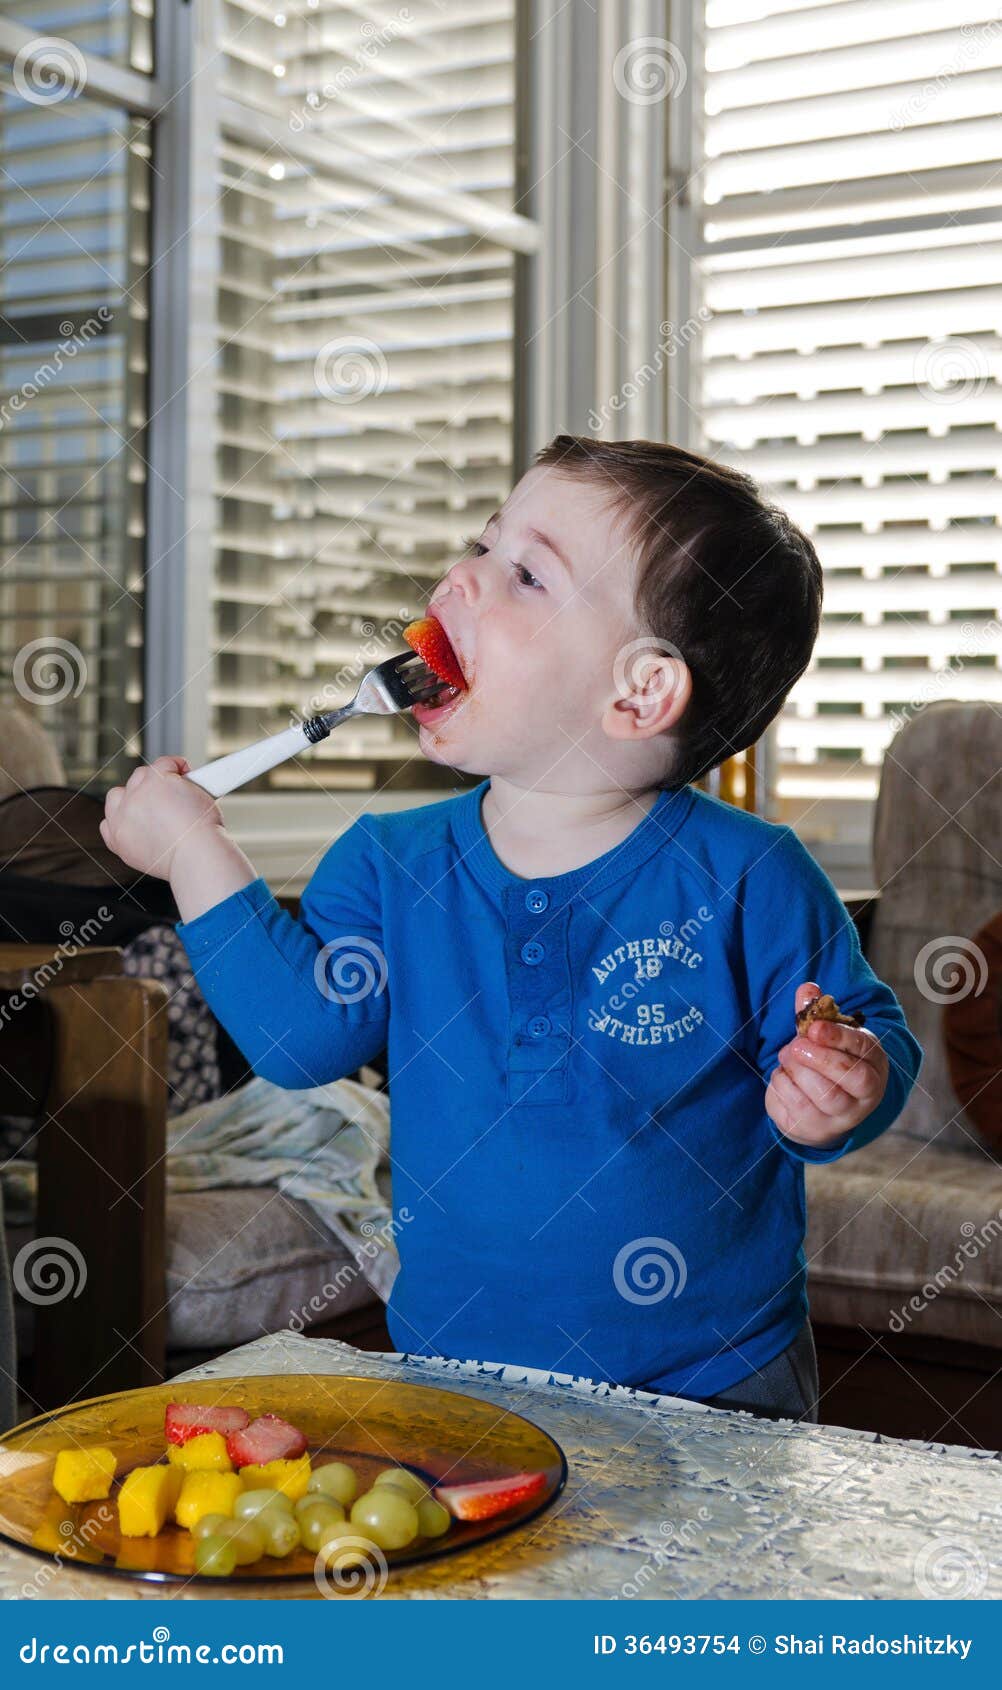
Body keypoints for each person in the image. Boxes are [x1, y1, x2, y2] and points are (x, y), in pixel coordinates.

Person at [99, 435, 924, 1423]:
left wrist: (850, 1082)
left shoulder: (751, 875)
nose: (463, 576)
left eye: (526, 573)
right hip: (459, 1377)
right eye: (484, 546)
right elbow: (298, 1039)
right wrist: (195, 852)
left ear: (639, 692)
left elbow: (865, 1029)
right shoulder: (387, 860)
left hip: (719, 1378)